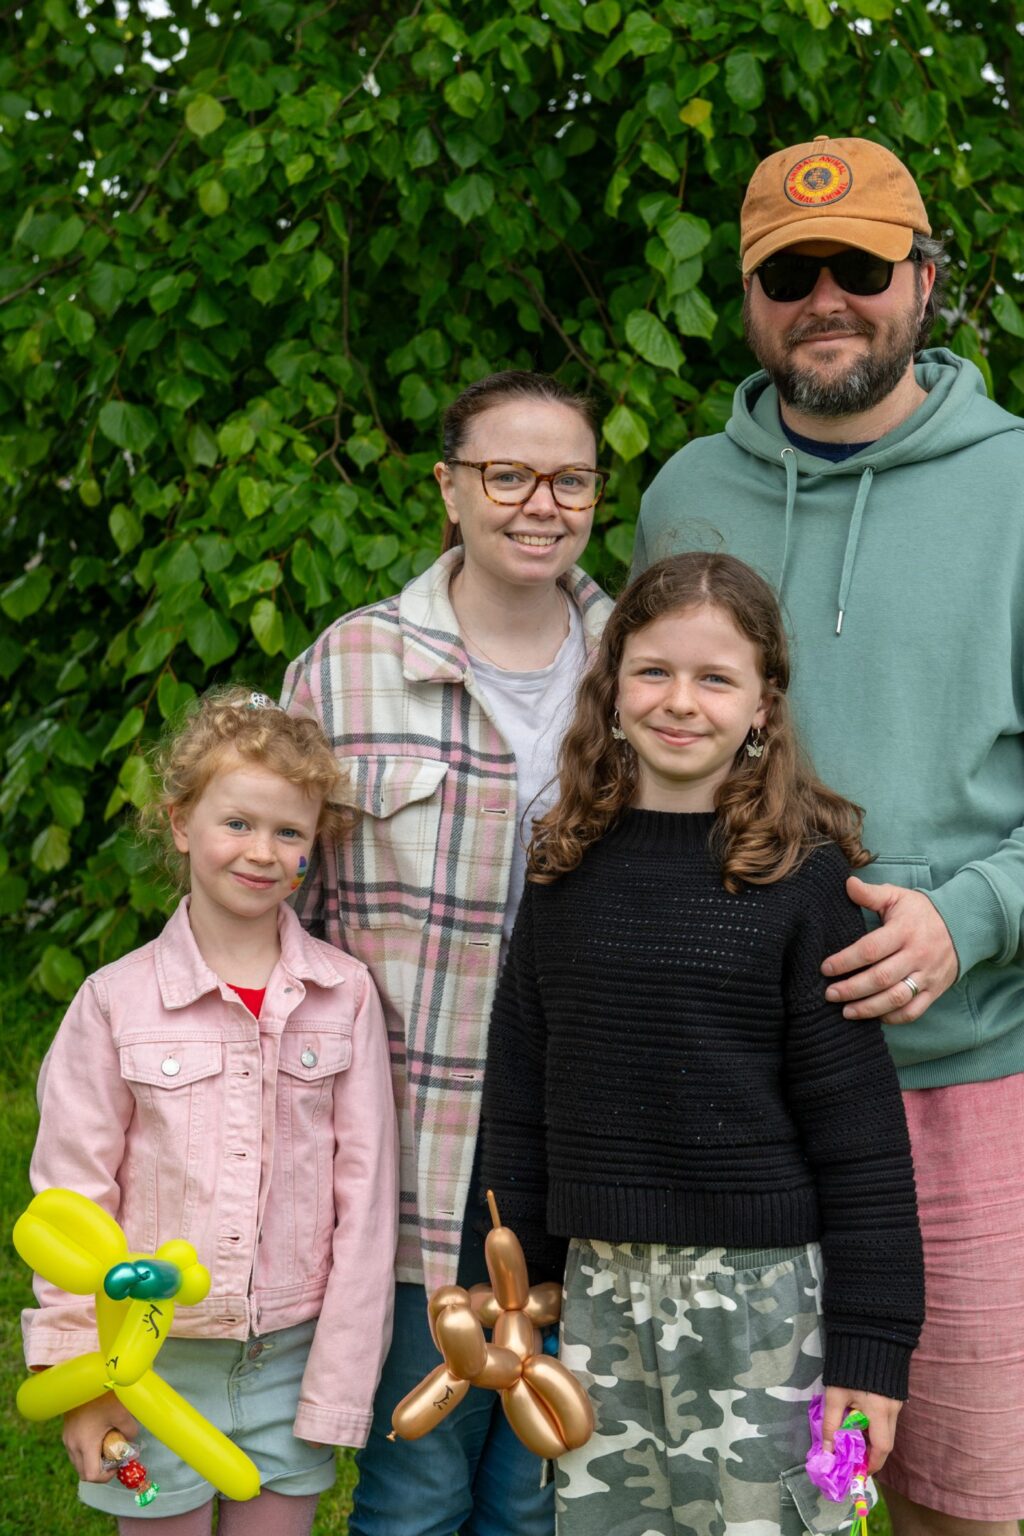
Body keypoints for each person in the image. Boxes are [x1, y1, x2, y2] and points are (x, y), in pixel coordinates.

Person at [633, 134, 1024, 1535]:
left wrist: (966, 915)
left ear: (923, 281)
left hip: (959, 1076)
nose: (824, 298)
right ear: (747, 297)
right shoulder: (685, 495)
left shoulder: (1017, 492)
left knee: (965, 1493)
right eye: (788, 272)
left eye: (857, 266)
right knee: (755, 1489)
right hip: (731, 1097)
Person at [479, 552, 925, 1536]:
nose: (680, 701)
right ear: (609, 687)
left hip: (767, 1308)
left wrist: (869, 1353)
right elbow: (518, 1092)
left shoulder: (803, 885)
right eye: (653, 672)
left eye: (715, 678)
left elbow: (862, 1143)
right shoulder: (564, 869)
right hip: (597, 1294)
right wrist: (507, 1279)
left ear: (763, 704)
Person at [281, 371, 614, 1536]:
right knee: (417, 1477)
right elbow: (289, 919)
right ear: (449, 488)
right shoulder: (351, 667)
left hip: (588, 1140)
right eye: (505, 475)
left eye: (569, 477)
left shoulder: (639, 667)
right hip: (418, 1143)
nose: (540, 503)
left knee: (541, 1483)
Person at [22, 687, 398, 1536]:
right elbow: (70, 1207)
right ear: (181, 821)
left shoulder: (344, 998)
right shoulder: (114, 1004)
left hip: (288, 1361)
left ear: (312, 849)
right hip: (149, 1362)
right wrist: (84, 1383)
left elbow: (366, 1201)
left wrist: (336, 1388)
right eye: (237, 823)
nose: (261, 852)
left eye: (289, 832)